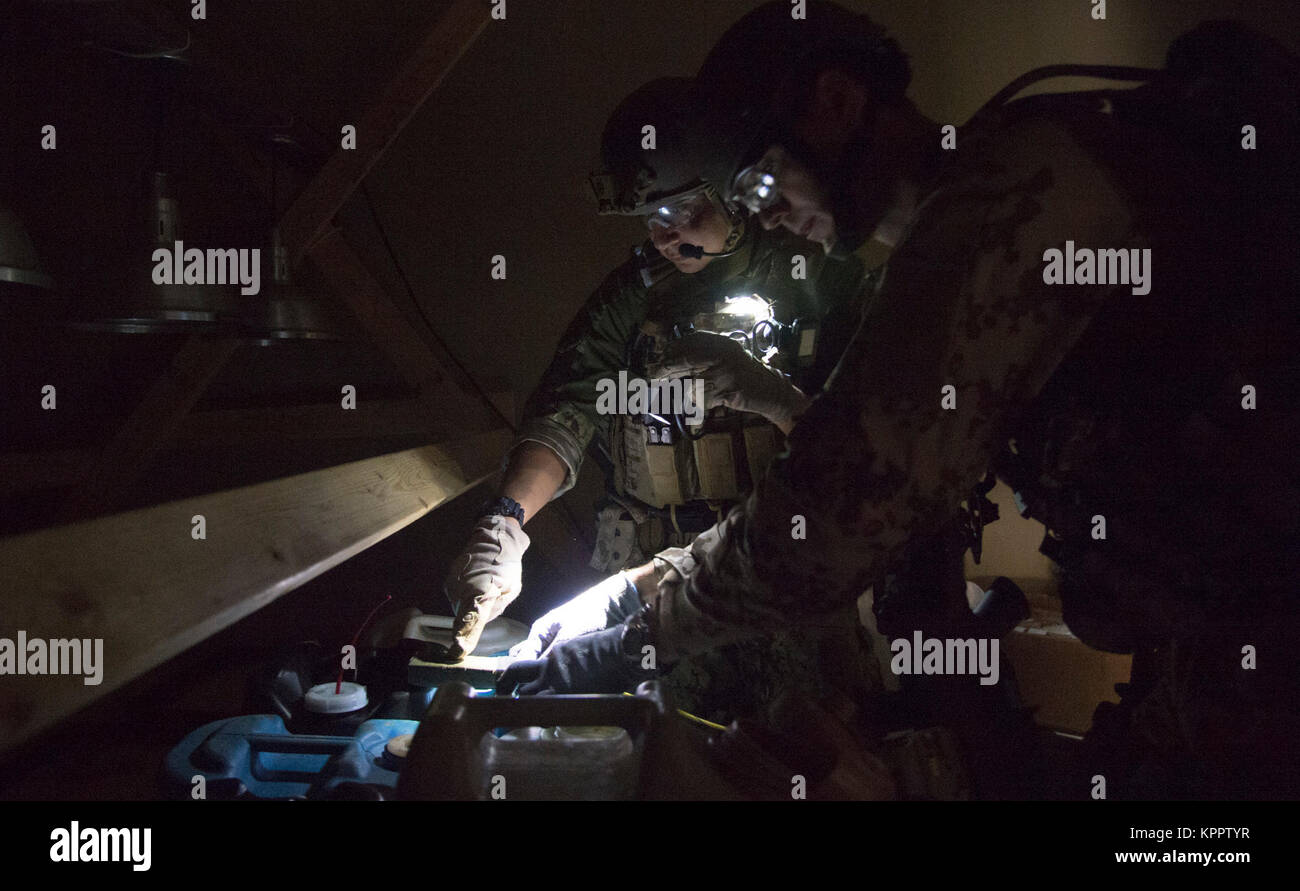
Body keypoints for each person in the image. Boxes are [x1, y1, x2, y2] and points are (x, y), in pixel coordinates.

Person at [499, 3, 1300, 797]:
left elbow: (842, 504)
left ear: (837, 100)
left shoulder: (1007, 201)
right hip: (1214, 646)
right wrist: (633, 585)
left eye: (761, 180)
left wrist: (634, 635)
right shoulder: (983, 199)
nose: (761, 213)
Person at [445, 77, 879, 721]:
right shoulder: (633, 298)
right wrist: (505, 521)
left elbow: (866, 459)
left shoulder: (820, 280)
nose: (666, 237)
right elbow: (569, 409)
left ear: (735, 193)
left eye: (684, 212)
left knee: (801, 741)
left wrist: (773, 397)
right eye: (652, 220)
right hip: (641, 581)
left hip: (778, 575)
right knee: (626, 743)